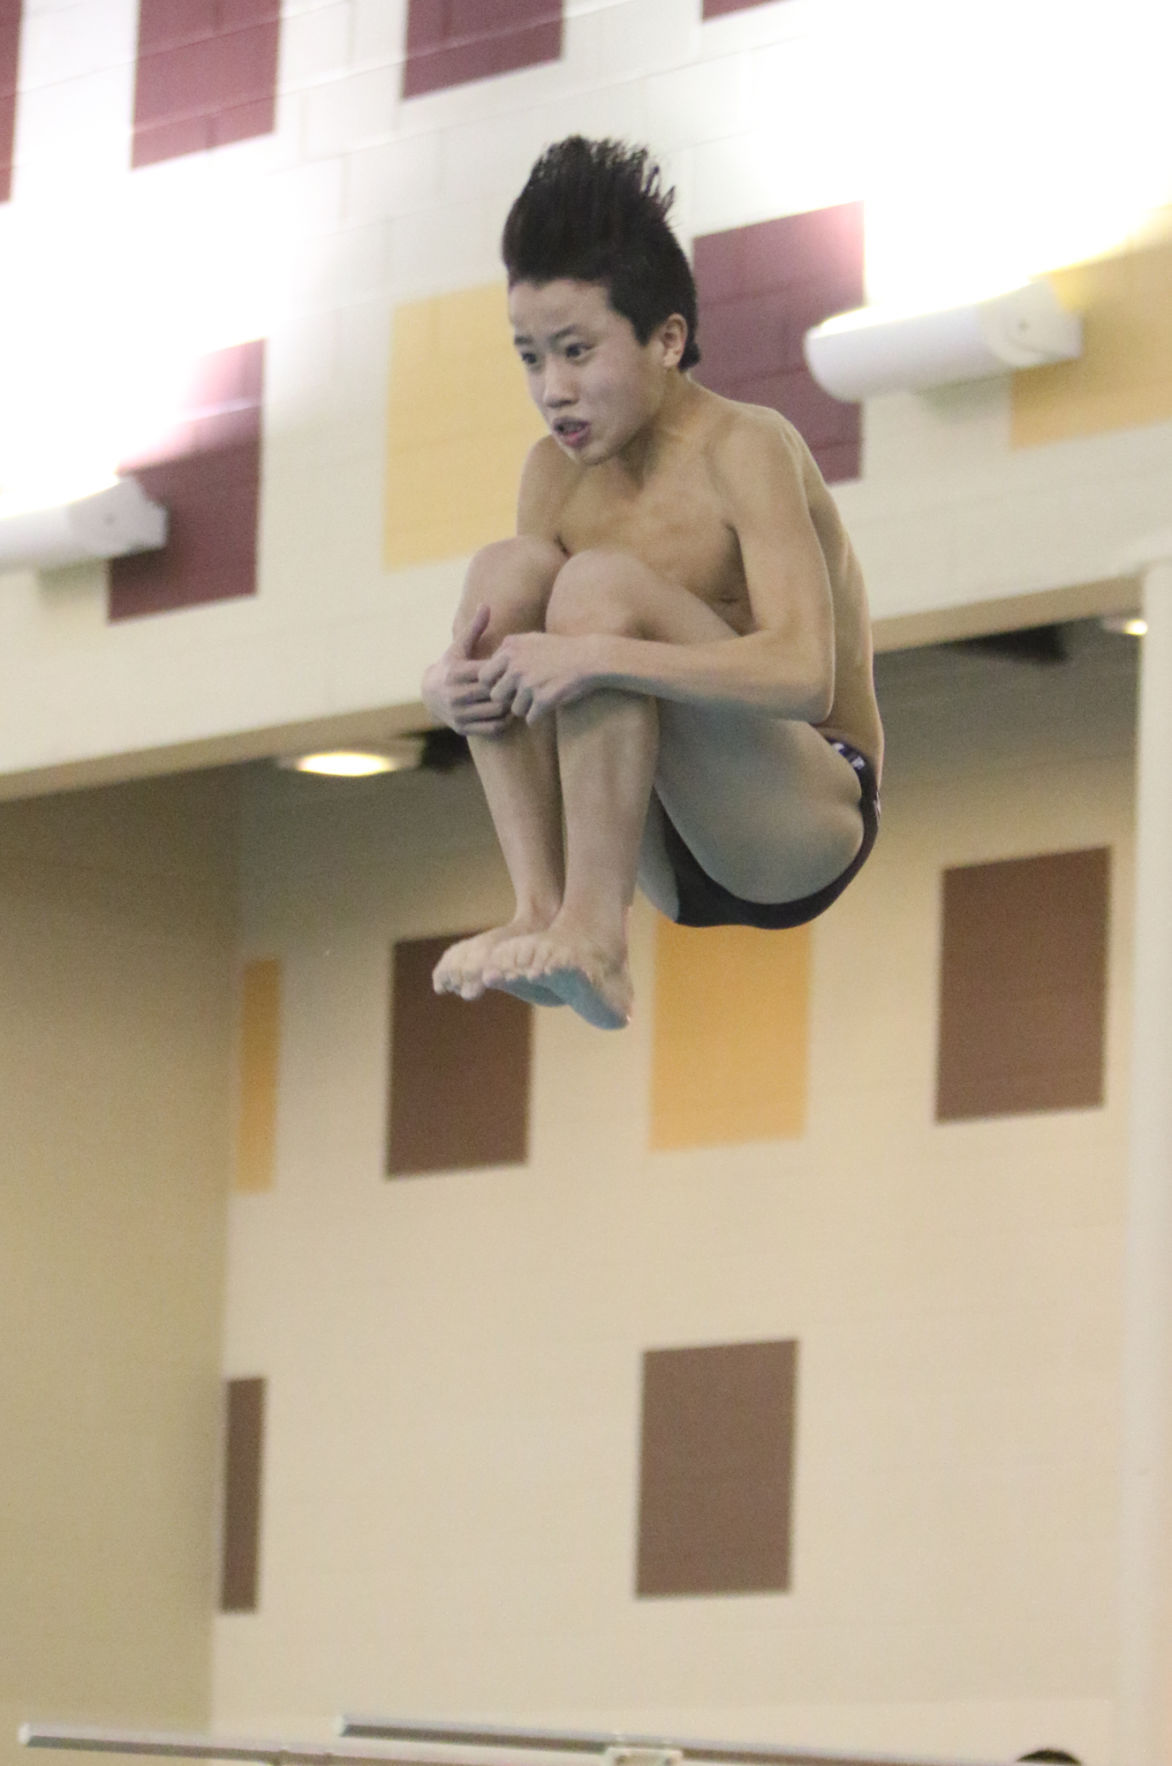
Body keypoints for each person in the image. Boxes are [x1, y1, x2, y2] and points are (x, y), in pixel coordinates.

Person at [422, 136, 883, 1030]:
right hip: (665, 843)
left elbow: (804, 675)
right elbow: (539, 686)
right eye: (529, 357)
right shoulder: (551, 476)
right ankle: (544, 908)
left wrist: (602, 654)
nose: (552, 389)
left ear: (668, 338)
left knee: (596, 595)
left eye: (576, 351)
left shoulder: (746, 448)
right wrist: (454, 686)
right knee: (506, 577)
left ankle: (595, 934)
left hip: (799, 816)